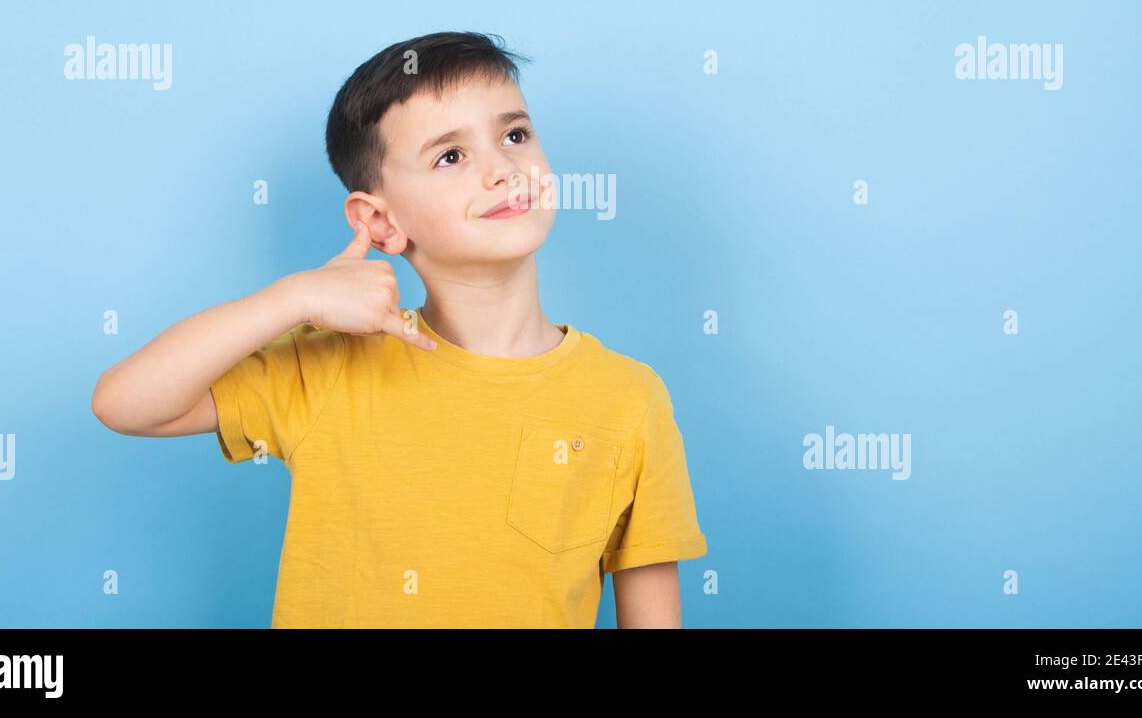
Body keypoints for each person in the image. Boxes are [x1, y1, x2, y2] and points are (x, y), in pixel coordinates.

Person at [91, 31, 707, 627]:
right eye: (451, 156)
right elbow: (126, 404)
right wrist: (292, 298)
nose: (502, 169)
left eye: (514, 134)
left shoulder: (629, 398)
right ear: (380, 224)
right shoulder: (330, 366)